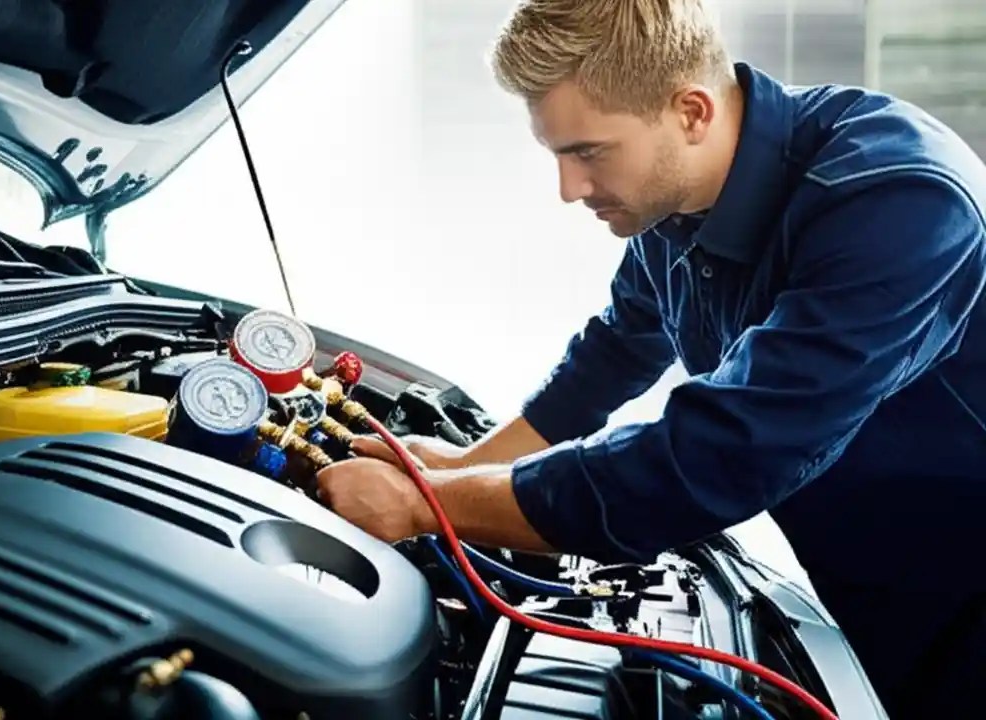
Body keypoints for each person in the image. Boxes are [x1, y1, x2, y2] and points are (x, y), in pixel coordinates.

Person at [315, 1, 986, 718]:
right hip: (872, 584)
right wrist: (460, 466)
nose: (569, 190)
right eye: (557, 154)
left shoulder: (900, 199)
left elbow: (720, 453)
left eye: (589, 153)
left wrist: (428, 508)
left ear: (691, 111)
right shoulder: (676, 200)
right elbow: (616, 348)